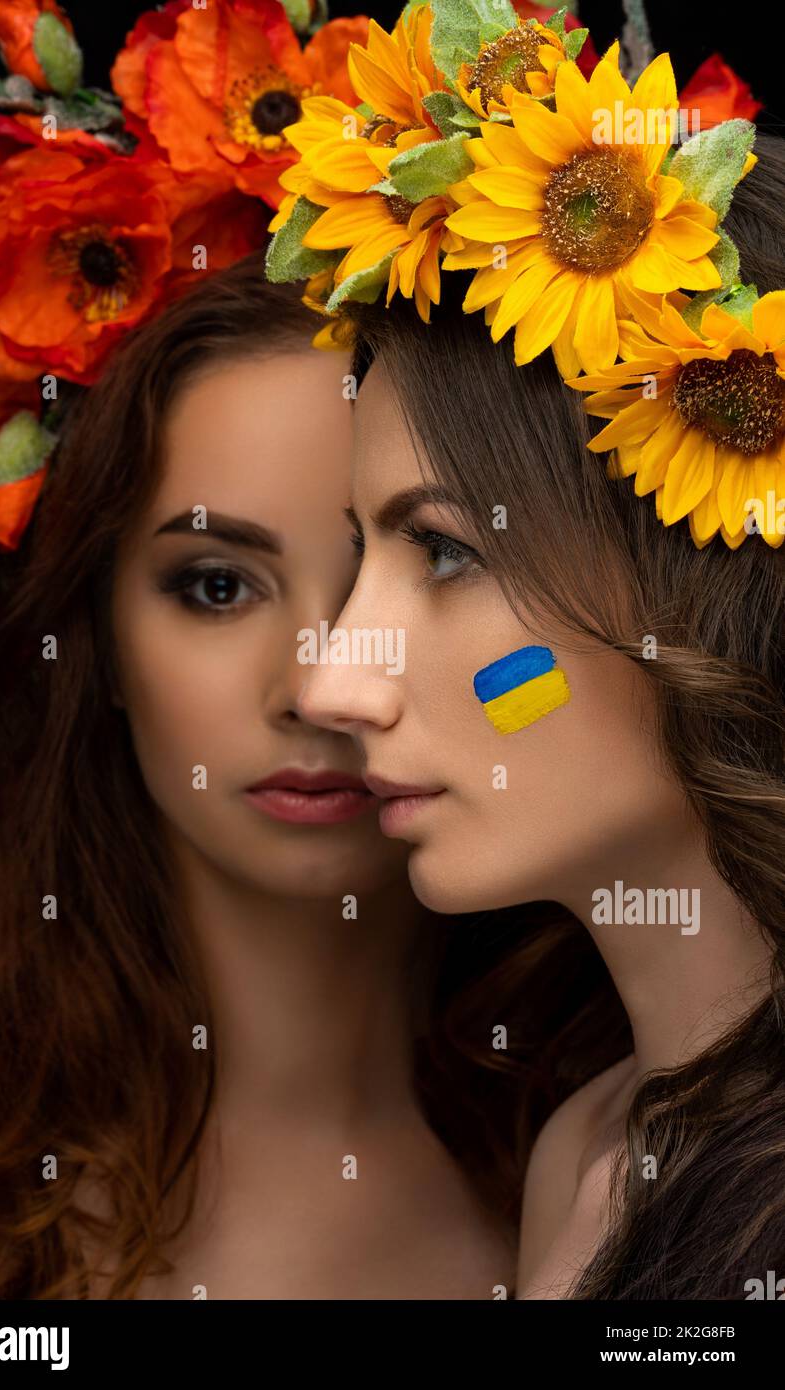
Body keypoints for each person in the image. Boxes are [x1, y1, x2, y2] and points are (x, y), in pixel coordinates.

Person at [0, 254, 516, 1299]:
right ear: (99, 635)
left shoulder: (651, 1165)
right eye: (217, 584)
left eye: (426, 564)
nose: (316, 683)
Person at [297, 127, 785, 1300]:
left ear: (704, 575)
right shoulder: (586, 1154)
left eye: (447, 552)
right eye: (364, 551)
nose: (330, 686)